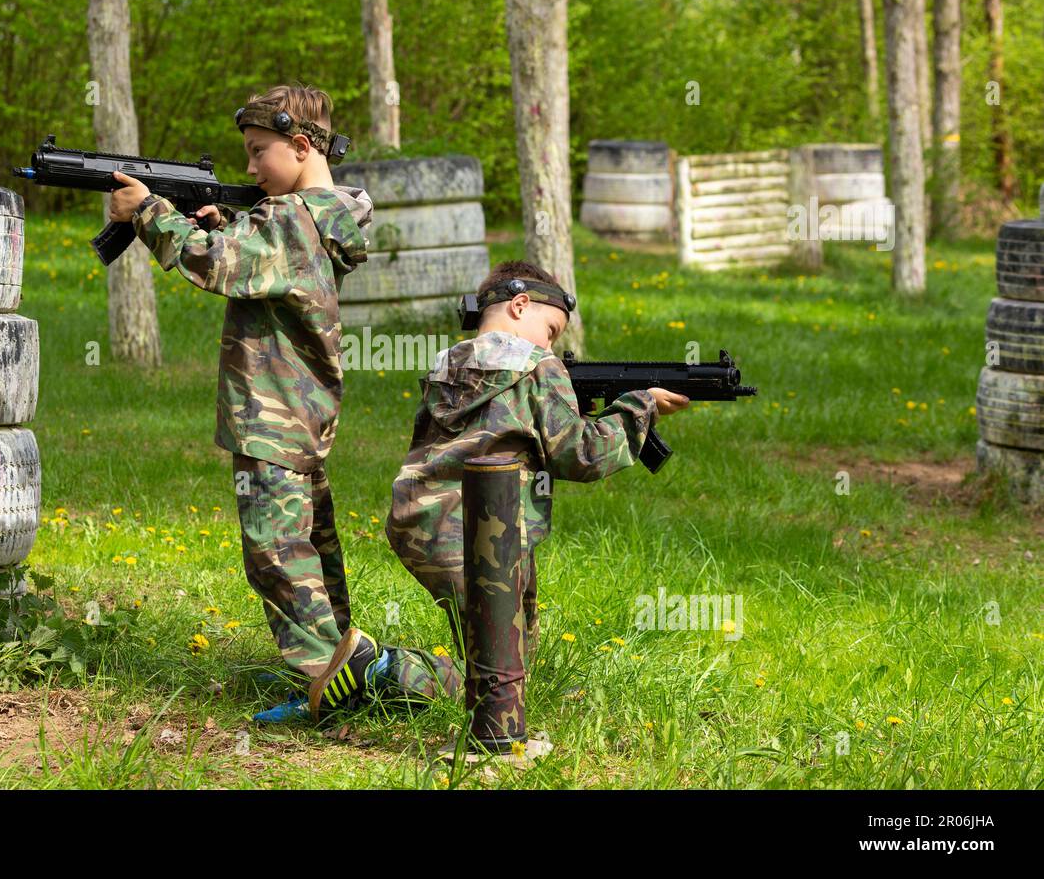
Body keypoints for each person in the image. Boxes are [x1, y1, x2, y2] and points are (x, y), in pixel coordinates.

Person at [106, 83, 453, 723]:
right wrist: (227, 220)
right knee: (309, 550)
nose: (249, 167)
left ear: (300, 146)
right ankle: (348, 673)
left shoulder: (291, 220)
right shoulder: (319, 217)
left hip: (270, 414)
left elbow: (216, 264)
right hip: (299, 410)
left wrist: (149, 211)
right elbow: (260, 261)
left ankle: (346, 677)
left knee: (273, 553)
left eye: (258, 151)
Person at [341, 259, 691, 706]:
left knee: (510, 659)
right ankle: (376, 667)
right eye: (551, 331)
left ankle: (357, 688)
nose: (552, 345)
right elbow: (581, 453)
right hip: (485, 529)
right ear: (521, 305)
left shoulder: (448, 363)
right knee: (500, 679)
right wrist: (640, 409)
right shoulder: (538, 367)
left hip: (426, 520)